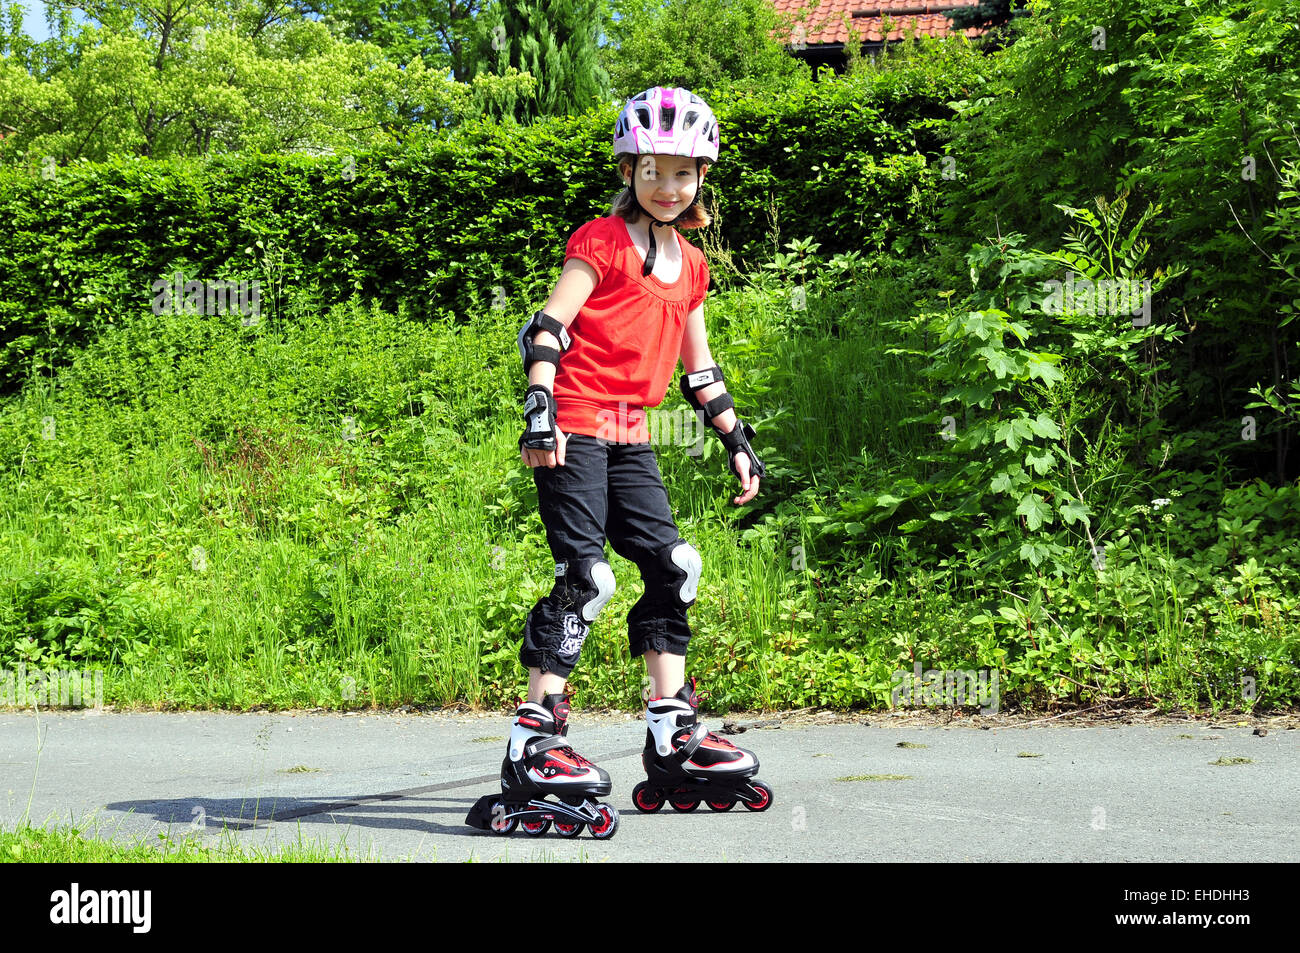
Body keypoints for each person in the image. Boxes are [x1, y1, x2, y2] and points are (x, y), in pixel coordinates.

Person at [468, 87, 772, 838]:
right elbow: (548, 326)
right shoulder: (600, 241)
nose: (668, 187)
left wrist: (736, 440)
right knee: (589, 576)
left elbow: (701, 370)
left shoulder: (693, 265)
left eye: (684, 174)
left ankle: (672, 733)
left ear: (702, 178)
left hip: (631, 431)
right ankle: (532, 741)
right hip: (572, 424)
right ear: (629, 168)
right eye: (653, 171)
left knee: (675, 563)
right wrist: (538, 406)